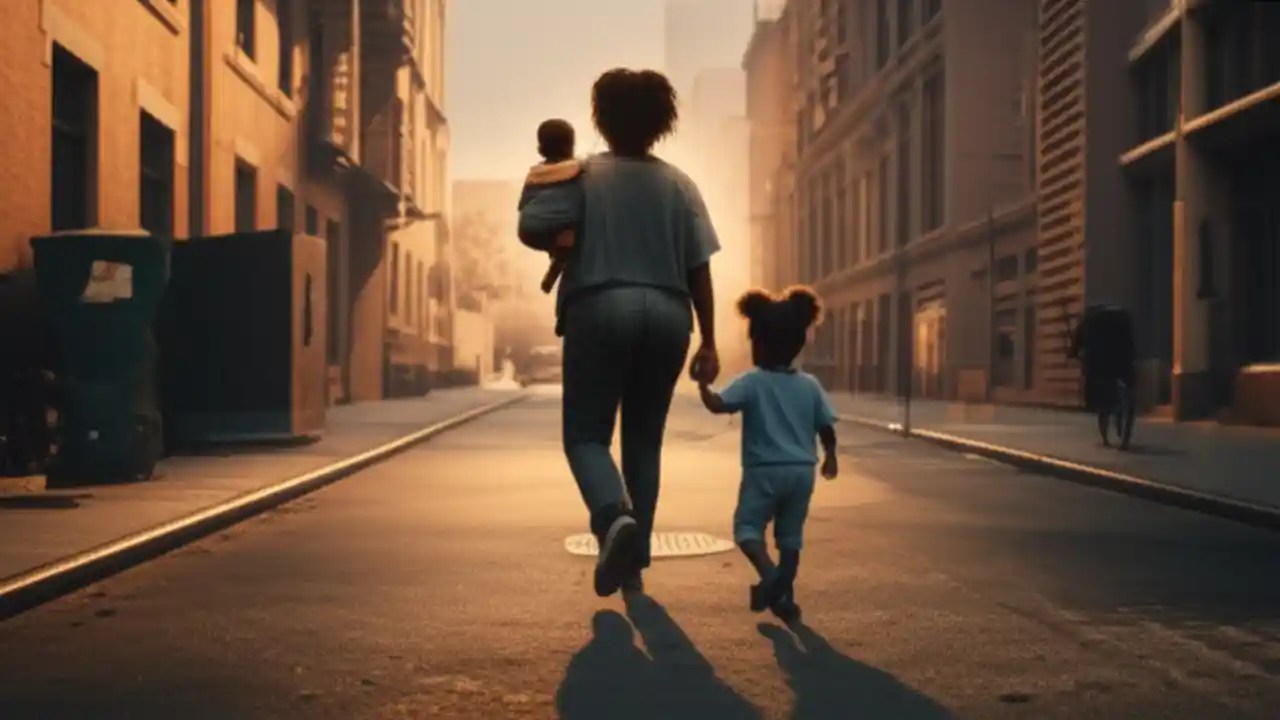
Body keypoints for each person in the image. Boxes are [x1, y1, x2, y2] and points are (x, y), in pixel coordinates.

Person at [517, 68, 721, 598]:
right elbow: (699, 267)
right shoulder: (682, 184)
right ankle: (634, 564)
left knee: (586, 435)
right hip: (672, 315)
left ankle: (613, 519)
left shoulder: (579, 175)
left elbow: (532, 226)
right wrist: (711, 340)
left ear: (600, 119)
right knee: (644, 441)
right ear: (663, 122)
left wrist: (552, 204)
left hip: (600, 306)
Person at [696, 287, 838, 623]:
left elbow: (718, 405)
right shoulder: (811, 385)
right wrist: (831, 457)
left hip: (763, 472)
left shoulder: (753, 382)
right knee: (791, 537)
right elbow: (826, 427)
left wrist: (703, 385)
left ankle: (771, 579)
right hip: (802, 471)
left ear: (757, 342)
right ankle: (783, 596)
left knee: (747, 529)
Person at [517, 119, 581, 294]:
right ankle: (560, 255)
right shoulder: (578, 169)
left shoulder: (534, 173)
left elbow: (523, 204)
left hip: (528, 229)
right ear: (571, 145)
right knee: (572, 227)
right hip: (563, 225)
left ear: (541, 146)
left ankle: (557, 256)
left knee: (558, 235)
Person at [1068, 303, 1137, 449]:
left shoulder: (1087, 322)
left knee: (1102, 405)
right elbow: (1132, 344)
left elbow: (1074, 349)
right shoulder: (1122, 320)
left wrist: (1077, 356)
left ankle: (1105, 439)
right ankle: (1125, 438)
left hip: (1099, 367)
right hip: (1123, 364)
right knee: (1127, 397)